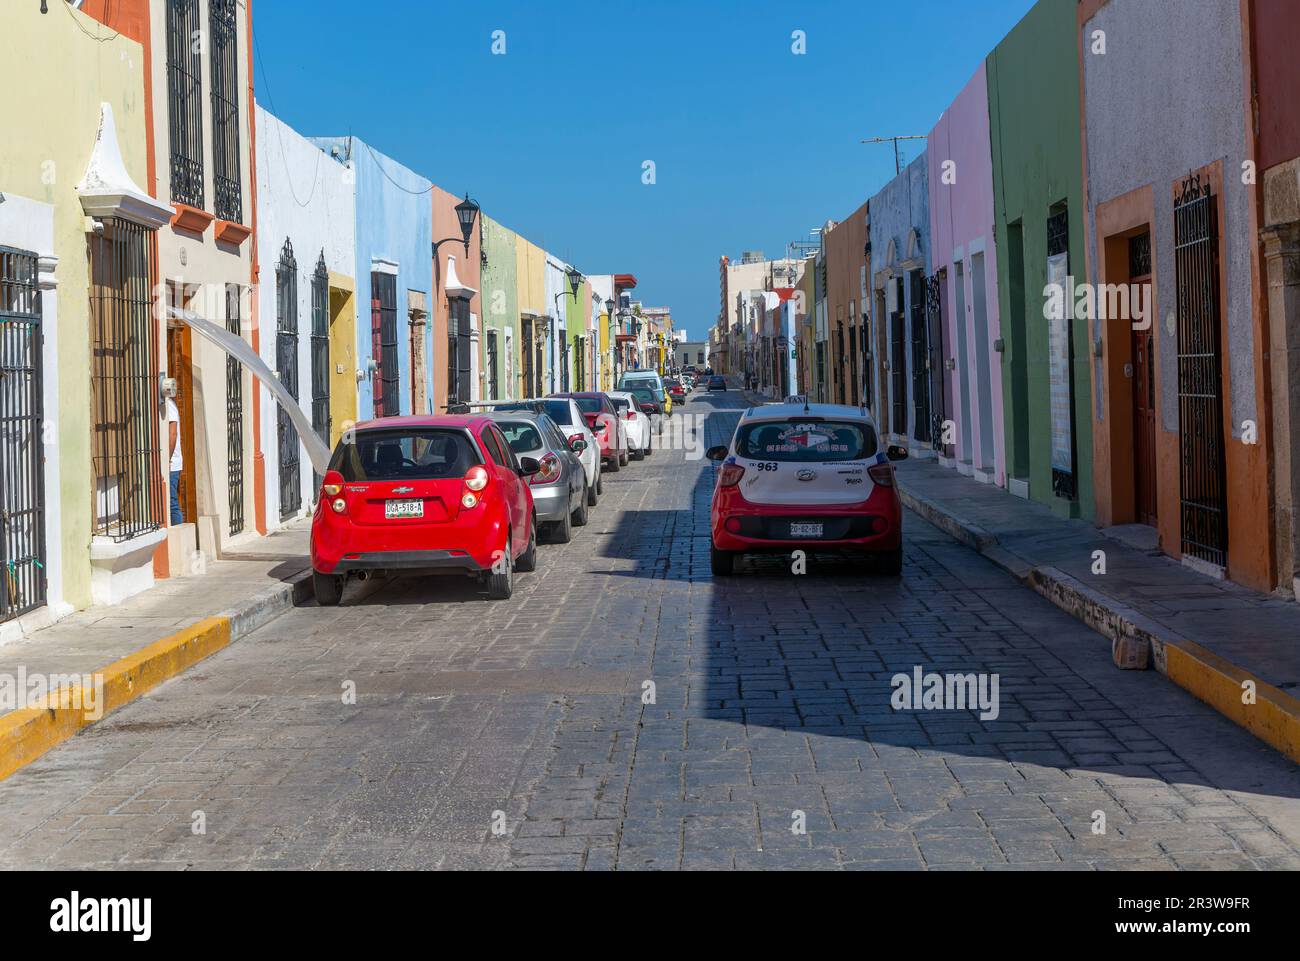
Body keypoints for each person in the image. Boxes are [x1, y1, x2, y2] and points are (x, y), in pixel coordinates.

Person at [166, 393, 183, 525]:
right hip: (169, 462)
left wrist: (167, 458)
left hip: (172, 464)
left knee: (172, 504)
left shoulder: (168, 404)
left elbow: (173, 433)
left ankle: (180, 542)